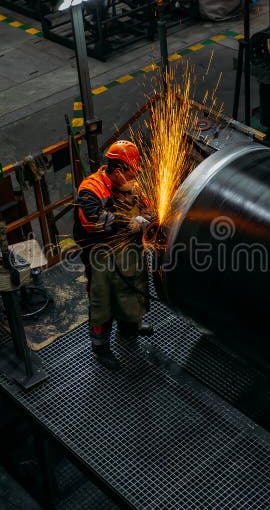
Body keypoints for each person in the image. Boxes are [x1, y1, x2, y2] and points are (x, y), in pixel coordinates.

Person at [73, 140, 154, 370]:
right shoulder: (91, 188)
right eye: (131, 173)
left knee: (131, 288)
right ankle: (101, 348)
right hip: (100, 256)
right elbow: (91, 220)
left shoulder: (130, 185)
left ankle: (130, 327)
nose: (134, 178)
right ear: (118, 171)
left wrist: (149, 216)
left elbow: (147, 208)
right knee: (103, 300)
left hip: (126, 252)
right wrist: (128, 222)